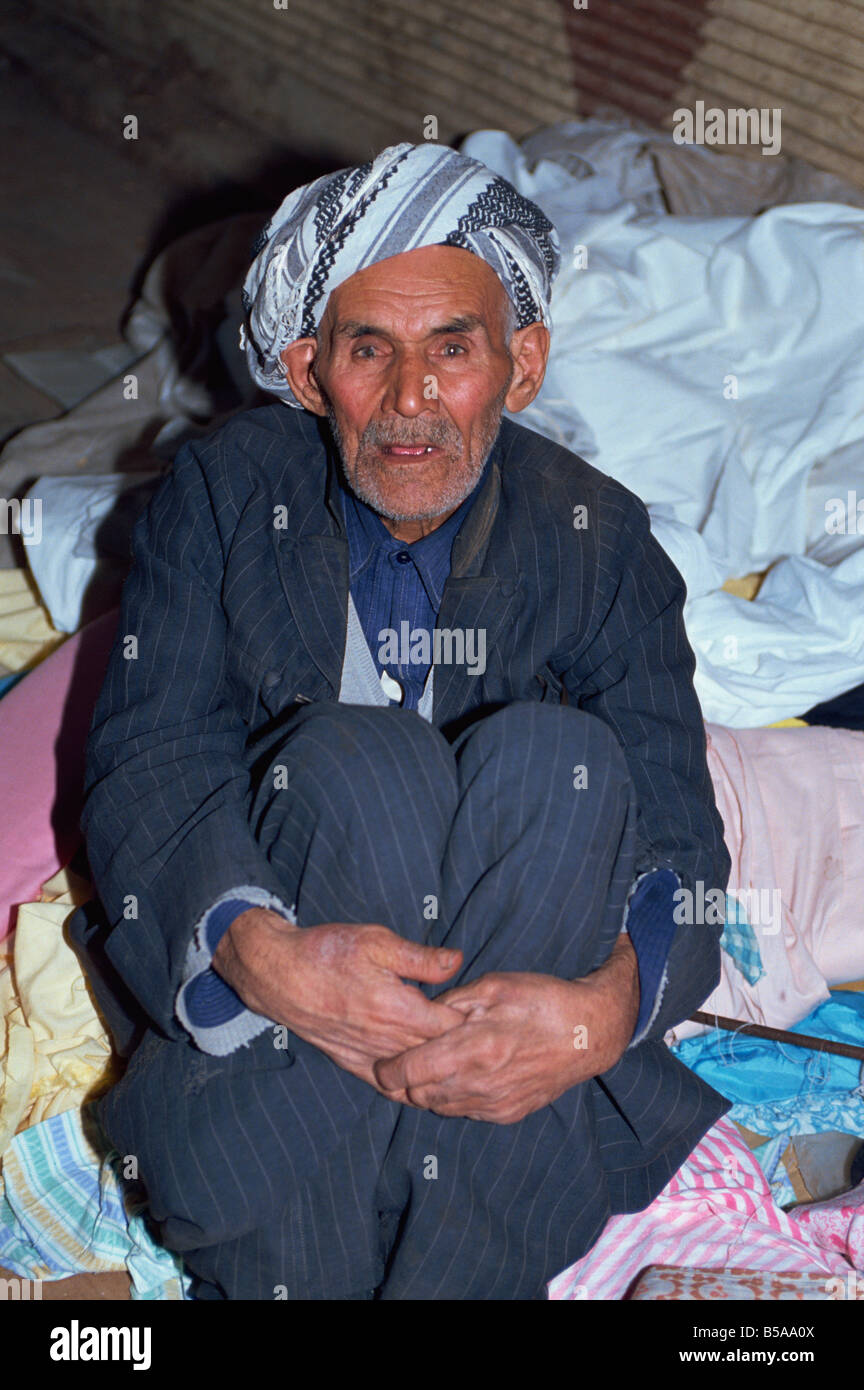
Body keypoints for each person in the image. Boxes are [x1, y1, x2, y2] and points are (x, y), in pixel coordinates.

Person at [70, 142, 731, 1300]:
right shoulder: (223, 495)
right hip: (269, 1078)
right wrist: (260, 955)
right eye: (370, 349)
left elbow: (684, 838)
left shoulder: (604, 541)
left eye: (454, 350)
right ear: (310, 368)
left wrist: (601, 1010)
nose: (413, 399)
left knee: (559, 760)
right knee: (358, 763)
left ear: (522, 365)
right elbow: (150, 756)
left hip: (510, 1127)